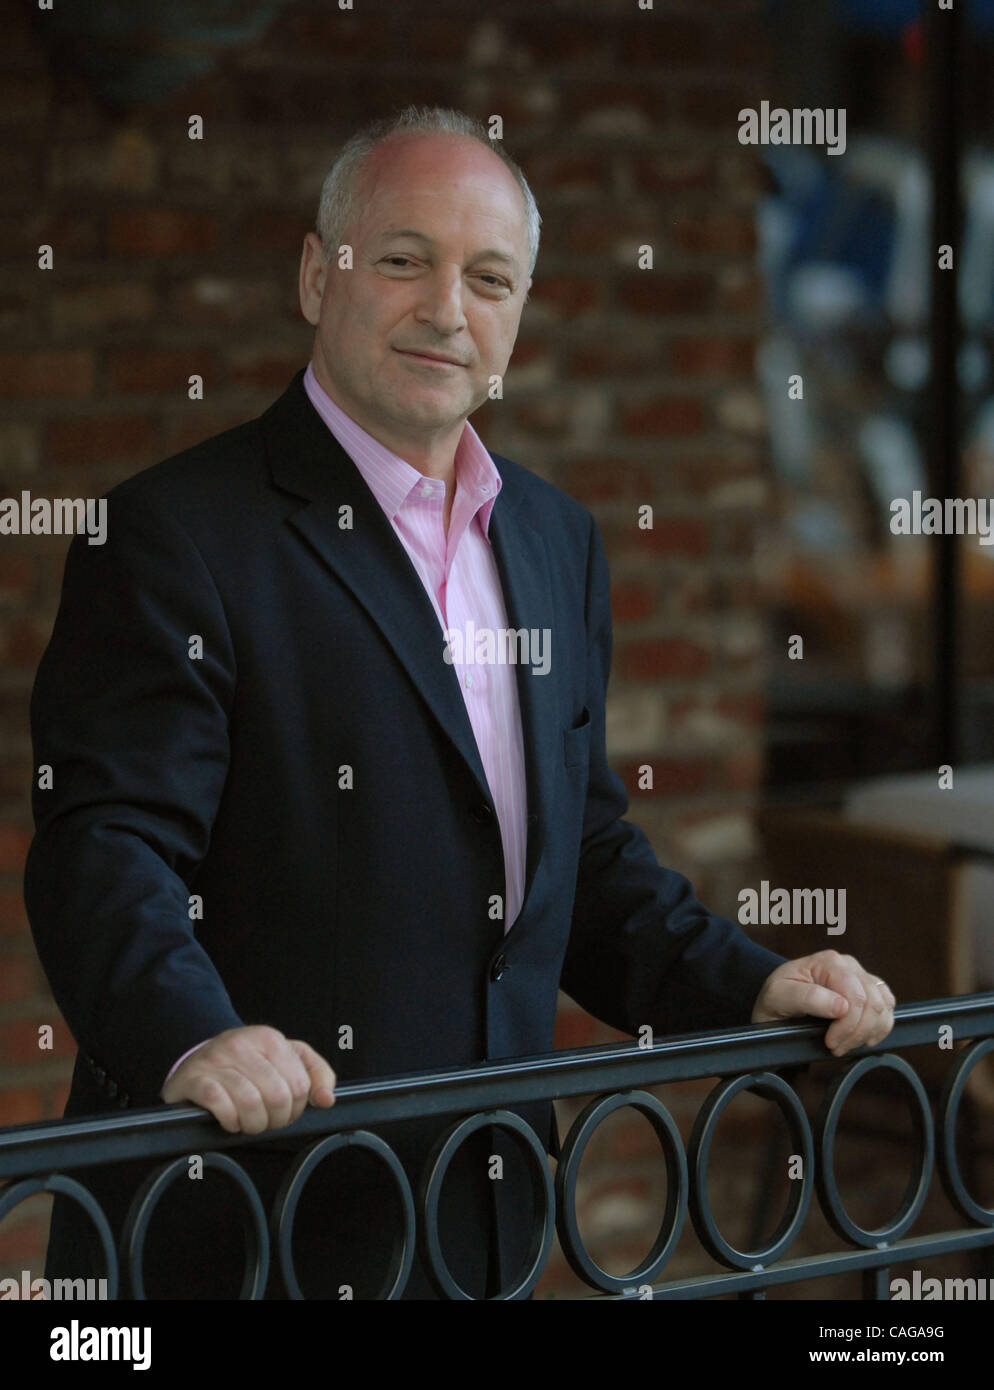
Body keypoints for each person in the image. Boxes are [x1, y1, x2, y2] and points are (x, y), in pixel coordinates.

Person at [24, 105, 895, 1301]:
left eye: (489, 278)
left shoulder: (553, 540)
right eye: (402, 260)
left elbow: (577, 855)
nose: (447, 308)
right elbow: (105, 842)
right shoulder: (176, 537)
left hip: (480, 1226)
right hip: (238, 1223)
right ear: (315, 275)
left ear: (516, 320)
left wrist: (745, 983)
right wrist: (194, 1037)